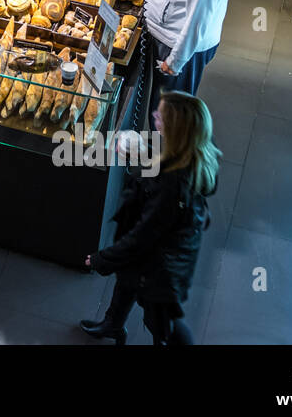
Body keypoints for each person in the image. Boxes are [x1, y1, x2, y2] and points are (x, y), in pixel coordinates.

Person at [82, 91, 220, 345]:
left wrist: (104, 258)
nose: (155, 115)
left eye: (161, 116)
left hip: (161, 266)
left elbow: (144, 235)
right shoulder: (196, 155)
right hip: (169, 254)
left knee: (162, 321)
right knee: (127, 283)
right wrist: (142, 154)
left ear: (176, 130)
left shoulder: (173, 184)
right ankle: (113, 324)